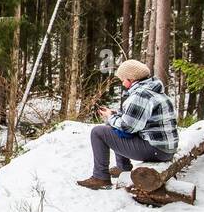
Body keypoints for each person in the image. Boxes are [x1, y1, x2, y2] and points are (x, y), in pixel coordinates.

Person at [76, 59, 179, 190]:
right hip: (165, 149)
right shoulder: (153, 90)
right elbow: (134, 119)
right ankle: (122, 168)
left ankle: (100, 178)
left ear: (131, 79)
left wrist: (110, 117)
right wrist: (113, 114)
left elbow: (127, 127)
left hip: (156, 150)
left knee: (98, 132)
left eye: (123, 79)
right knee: (113, 127)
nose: (123, 83)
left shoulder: (141, 95)